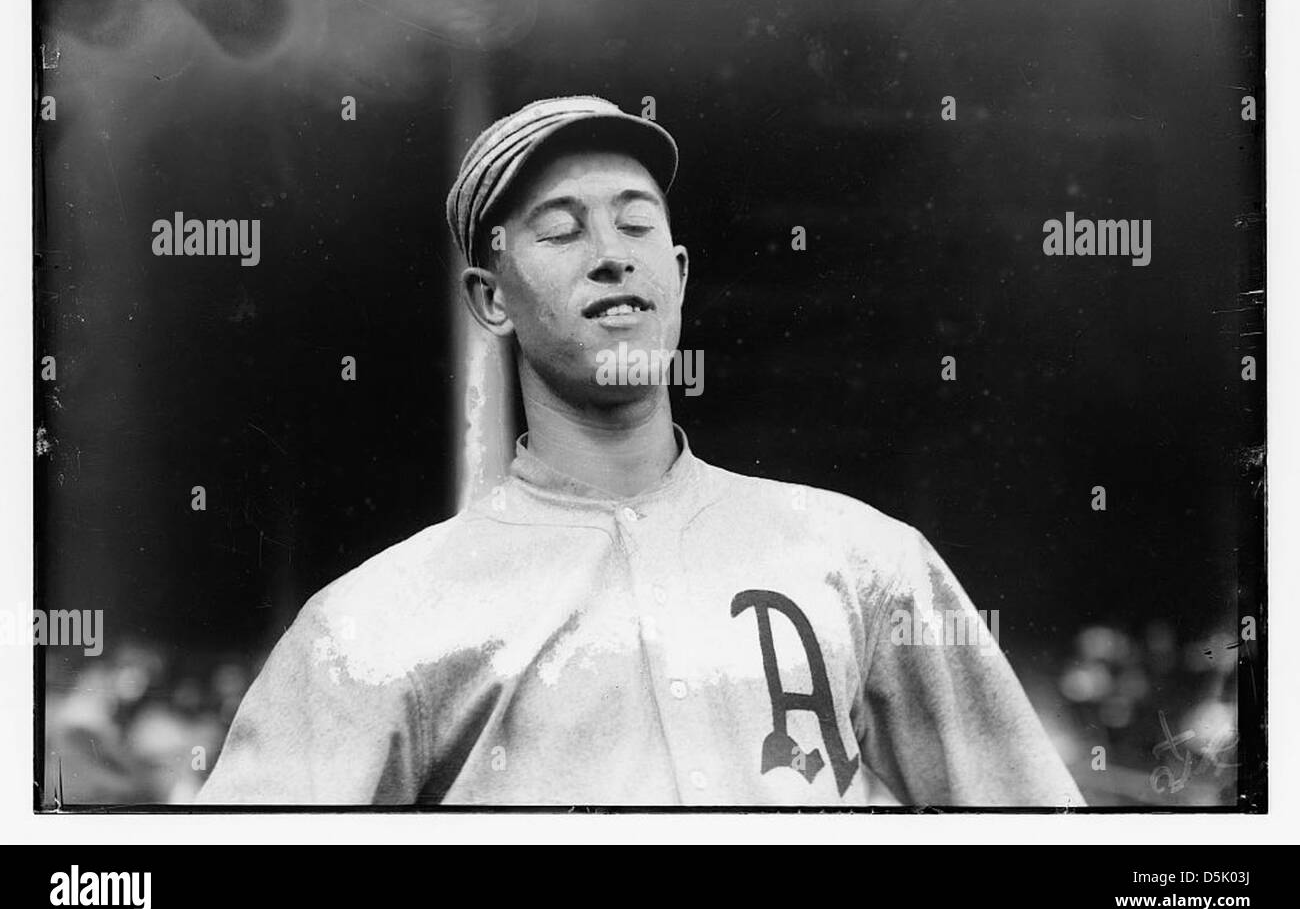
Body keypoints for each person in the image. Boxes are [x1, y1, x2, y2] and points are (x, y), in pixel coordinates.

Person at [197, 95, 1082, 806]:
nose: (614, 256)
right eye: (561, 230)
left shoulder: (863, 558)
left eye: (636, 223)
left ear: (681, 273)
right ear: (491, 298)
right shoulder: (373, 623)